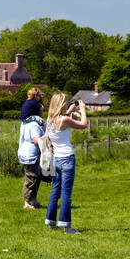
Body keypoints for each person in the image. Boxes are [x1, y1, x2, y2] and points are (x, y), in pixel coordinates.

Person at [44, 92, 87, 233]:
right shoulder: (64, 120)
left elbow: (60, 124)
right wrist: (82, 110)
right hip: (67, 158)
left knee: (55, 191)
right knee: (66, 193)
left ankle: (50, 221)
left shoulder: (49, 120)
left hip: (56, 158)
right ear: (61, 104)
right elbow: (83, 125)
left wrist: (69, 112)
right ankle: (66, 225)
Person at [18, 108, 46, 210]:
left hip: (27, 154)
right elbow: (35, 140)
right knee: (31, 179)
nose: (42, 112)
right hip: (31, 155)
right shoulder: (34, 125)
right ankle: (27, 203)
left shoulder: (25, 123)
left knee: (36, 178)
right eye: (41, 111)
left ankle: (34, 201)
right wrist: (47, 140)